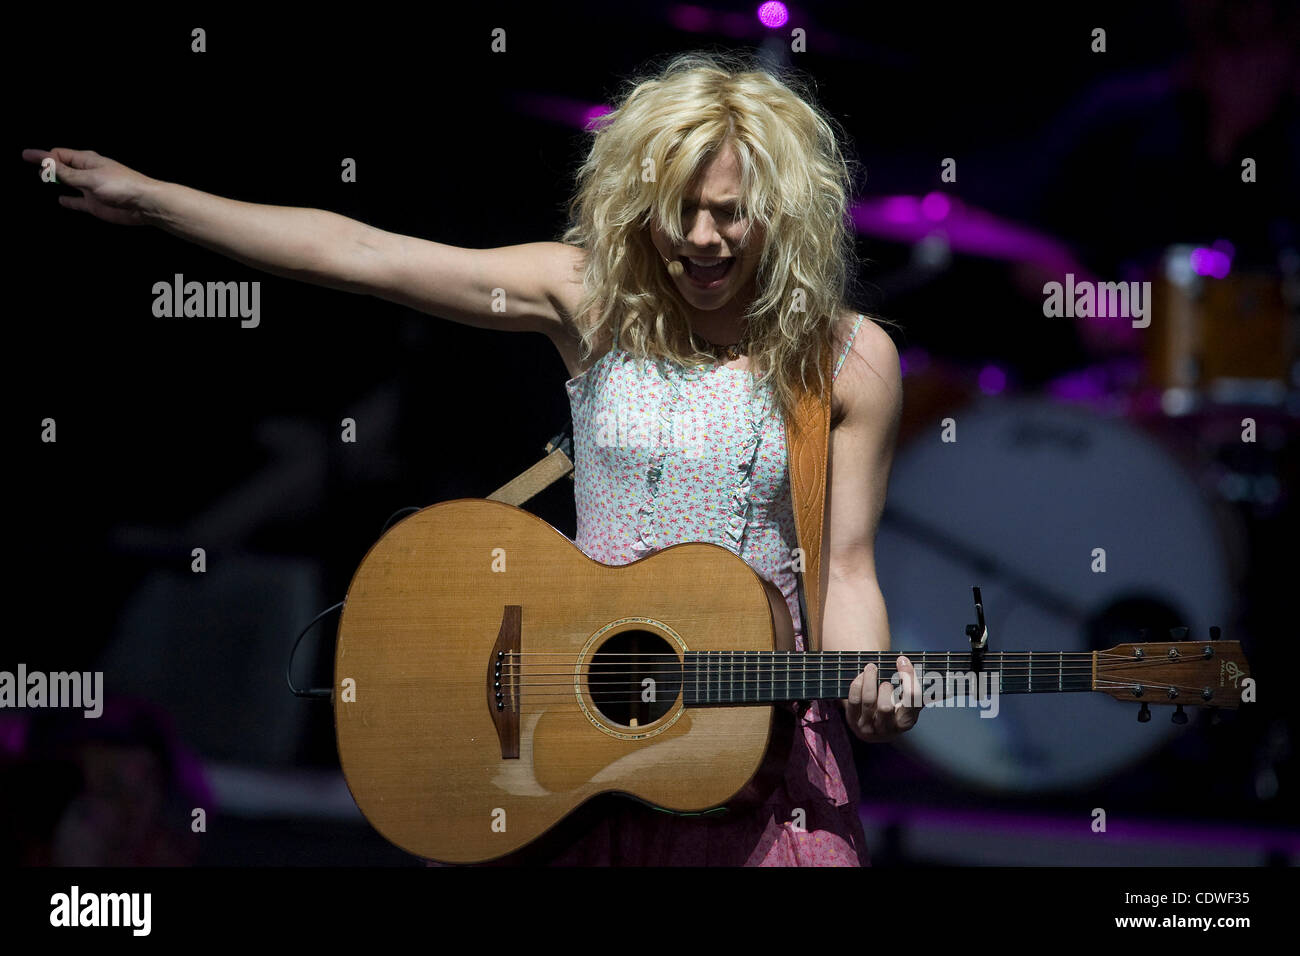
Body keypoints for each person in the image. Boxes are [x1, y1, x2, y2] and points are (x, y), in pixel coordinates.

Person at [23, 50, 919, 866]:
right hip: (583, 747)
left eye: (729, 214)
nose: (699, 238)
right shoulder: (590, 300)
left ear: (785, 212)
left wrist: (871, 685)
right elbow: (363, 253)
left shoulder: (847, 358)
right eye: (674, 209)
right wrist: (154, 202)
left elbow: (844, 573)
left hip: (755, 765)